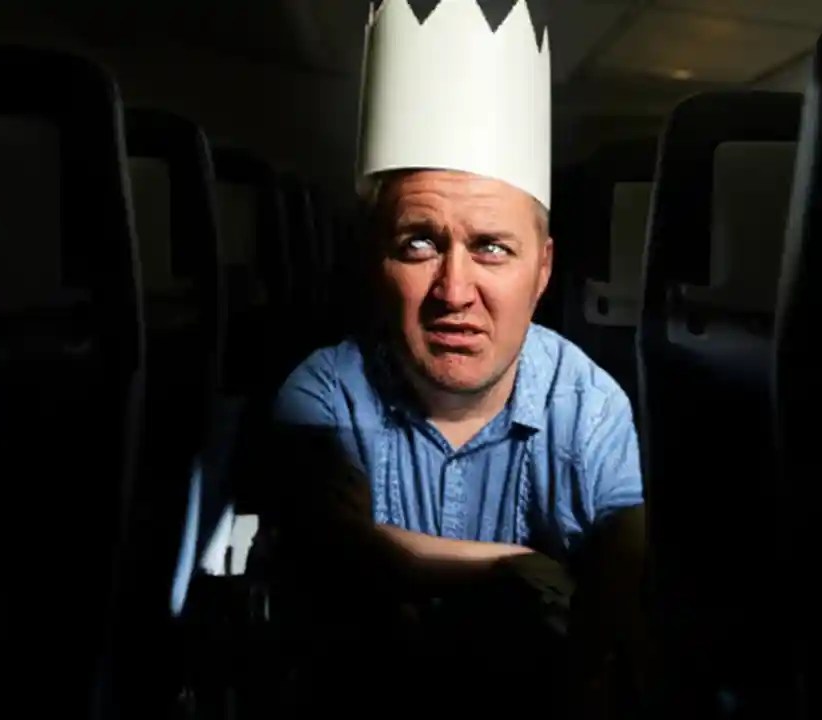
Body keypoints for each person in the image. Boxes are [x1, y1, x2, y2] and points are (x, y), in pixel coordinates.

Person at [264, 1, 649, 715]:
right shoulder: (321, 394)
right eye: (419, 244)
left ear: (542, 271)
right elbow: (335, 552)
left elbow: (627, 577)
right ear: (375, 263)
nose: (454, 291)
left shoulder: (591, 406)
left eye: (493, 248)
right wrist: (526, 568)